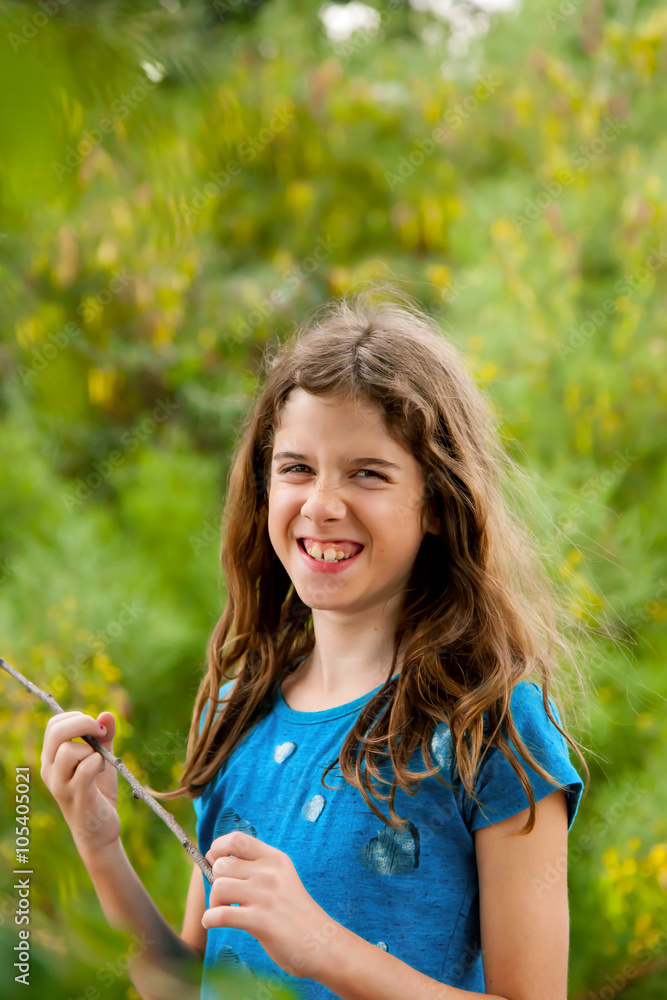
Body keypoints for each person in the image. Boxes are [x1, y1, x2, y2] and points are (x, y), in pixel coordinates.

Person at [41, 284, 591, 1000]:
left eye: (367, 473)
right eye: (296, 468)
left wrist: (323, 947)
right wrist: (100, 843)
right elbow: (185, 987)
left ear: (436, 502)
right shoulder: (238, 711)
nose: (322, 505)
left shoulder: (489, 725)